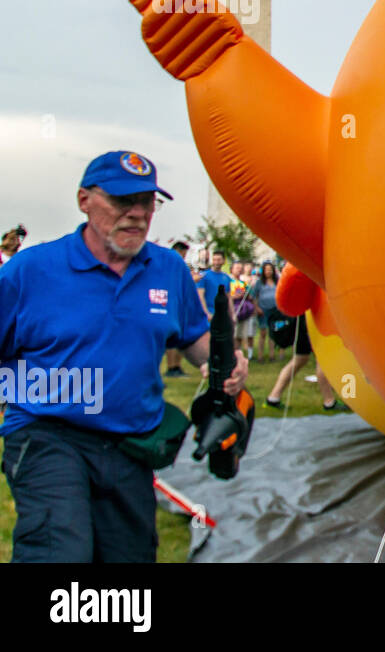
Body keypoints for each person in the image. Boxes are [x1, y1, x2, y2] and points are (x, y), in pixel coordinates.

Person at [0, 150, 249, 562]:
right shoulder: (31, 271)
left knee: (129, 557)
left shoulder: (168, 269)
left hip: (131, 441)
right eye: (122, 200)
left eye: (147, 202)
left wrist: (221, 362)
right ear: (84, 200)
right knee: (59, 550)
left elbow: (194, 334)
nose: (136, 213)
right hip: (48, 434)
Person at [265, 315, 340, 411]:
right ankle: (329, 401)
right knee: (322, 359)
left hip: (301, 321)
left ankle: (273, 398)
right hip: (311, 321)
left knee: (301, 358)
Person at [163, 239, 191, 377]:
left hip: (179, 304)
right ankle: (171, 367)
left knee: (180, 336)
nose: (184, 257)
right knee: (172, 337)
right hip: (170, 304)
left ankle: (177, 366)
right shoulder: (169, 264)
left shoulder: (177, 265)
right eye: (183, 254)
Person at [250, 262, 281, 363]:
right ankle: (260, 356)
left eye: (270, 269)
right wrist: (257, 308)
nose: (269, 271)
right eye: (266, 269)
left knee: (273, 333)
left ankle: (272, 356)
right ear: (263, 271)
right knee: (263, 333)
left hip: (275, 309)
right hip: (263, 310)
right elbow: (253, 296)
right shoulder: (259, 282)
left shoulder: (277, 281)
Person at [198, 249, 232, 321]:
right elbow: (200, 296)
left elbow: (228, 298)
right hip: (209, 316)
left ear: (223, 261)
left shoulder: (226, 278)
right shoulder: (203, 276)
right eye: (214, 260)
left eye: (219, 260)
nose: (216, 262)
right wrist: (206, 313)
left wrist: (232, 315)